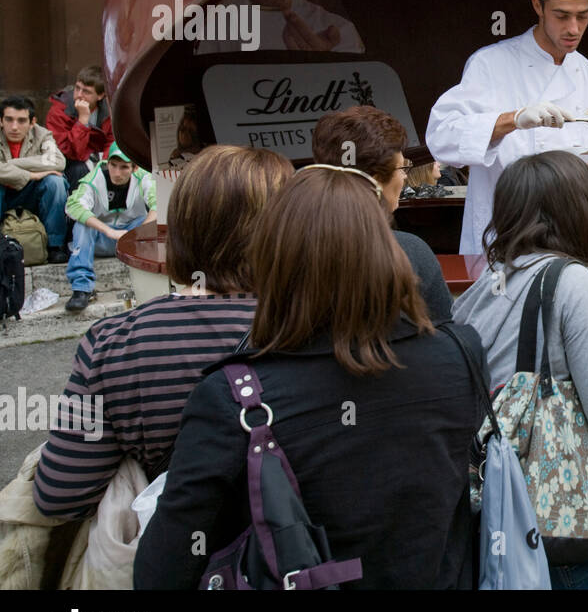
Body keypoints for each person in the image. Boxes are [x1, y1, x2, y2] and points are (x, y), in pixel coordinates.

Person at [135, 165, 487, 589]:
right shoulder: (461, 354)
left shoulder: (231, 398)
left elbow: (163, 570)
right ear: (386, 246)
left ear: (271, 261)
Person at [34, 146, 293, 519]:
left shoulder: (115, 342)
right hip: (306, 562)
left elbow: (60, 495)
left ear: (181, 226)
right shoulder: (328, 328)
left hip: (178, 561)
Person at [453, 150, 588, 590]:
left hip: (498, 508)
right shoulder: (573, 279)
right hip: (557, 518)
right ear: (575, 211)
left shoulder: (490, 279)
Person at [425, 0, 588, 254]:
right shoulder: (491, 63)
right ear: (538, 6)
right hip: (504, 231)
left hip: (568, 231)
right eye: (562, 15)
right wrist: (512, 120)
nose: (574, 29)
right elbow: (442, 137)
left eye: (583, 16)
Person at [312, 106, 454, 322]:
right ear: (376, 179)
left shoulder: (286, 246)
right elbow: (444, 331)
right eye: (402, 168)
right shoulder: (408, 250)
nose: (405, 177)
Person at [63, 142, 157, 313]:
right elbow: (73, 206)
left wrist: (142, 231)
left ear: (134, 168)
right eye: (113, 165)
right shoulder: (95, 176)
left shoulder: (143, 176)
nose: (117, 173)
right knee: (82, 225)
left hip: (131, 236)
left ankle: (150, 281)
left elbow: (158, 204)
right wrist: (108, 231)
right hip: (101, 237)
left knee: (153, 221)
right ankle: (82, 288)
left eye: (124, 167)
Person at [0, 94, 68, 263]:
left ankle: (55, 246)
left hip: (30, 195)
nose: (14, 127)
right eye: (9, 119)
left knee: (56, 182)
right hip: (3, 194)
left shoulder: (42, 135)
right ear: (1, 121)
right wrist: (31, 174)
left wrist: (11, 164)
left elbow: (57, 161)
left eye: (22, 121)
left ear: (32, 122)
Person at [45, 65, 113, 186]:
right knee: (79, 169)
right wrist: (82, 121)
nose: (79, 95)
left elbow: (112, 141)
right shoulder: (60, 110)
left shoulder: (107, 111)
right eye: (77, 88)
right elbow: (73, 153)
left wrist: (105, 163)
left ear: (100, 95)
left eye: (86, 91)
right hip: (67, 163)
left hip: (97, 159)